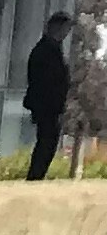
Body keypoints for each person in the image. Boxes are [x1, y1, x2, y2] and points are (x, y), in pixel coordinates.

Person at [27, 14, 73, 182]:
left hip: (50, 105)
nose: (66, 33)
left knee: (48, 142)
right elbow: (46, 80)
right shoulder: (46, 50)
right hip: (47, 105)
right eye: (65, 29)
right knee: (46, 142)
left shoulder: (50, 49)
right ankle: (35, 175)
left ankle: (37, 175)